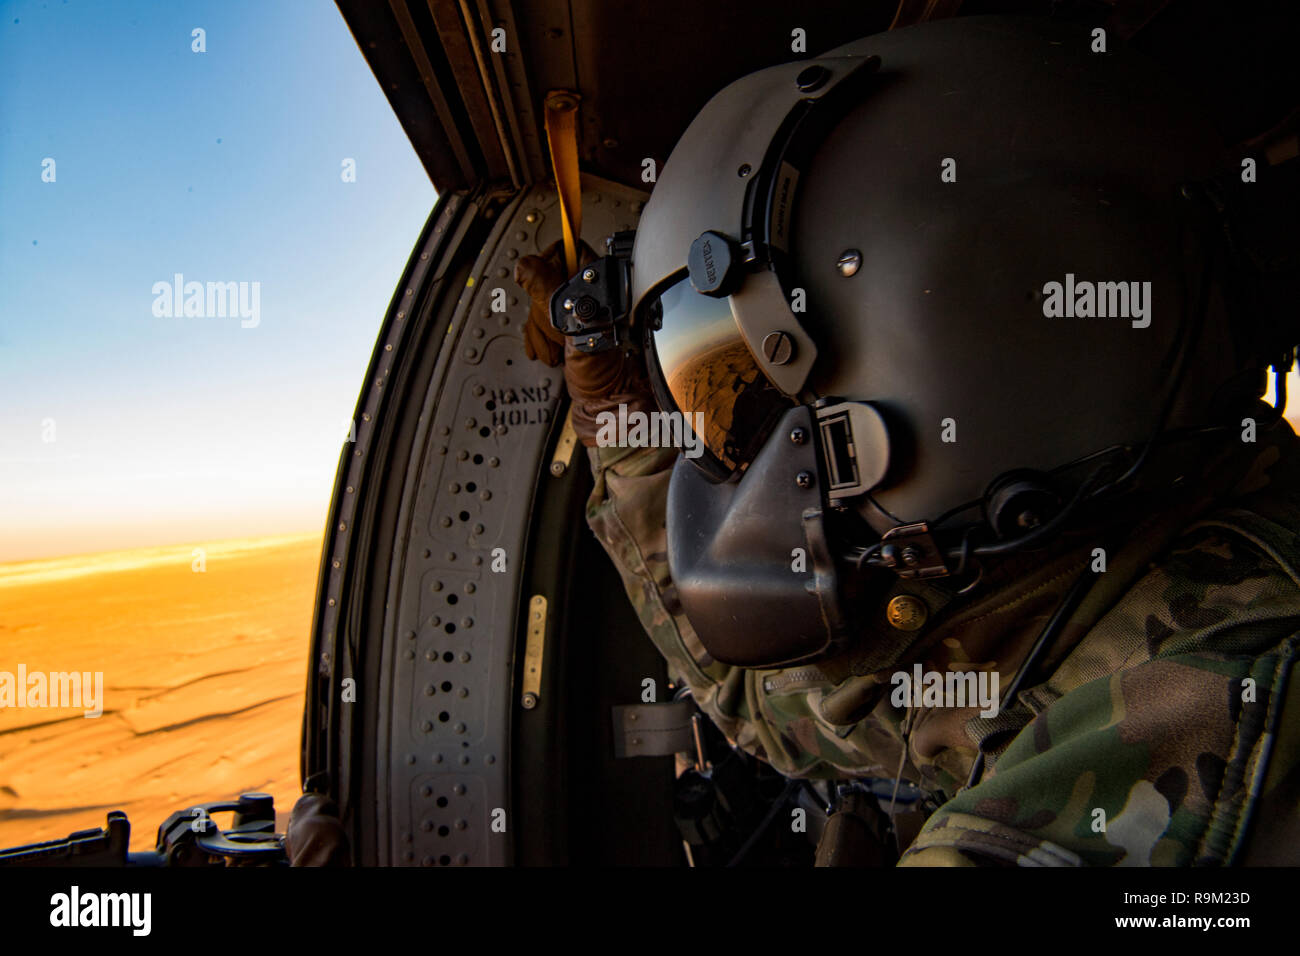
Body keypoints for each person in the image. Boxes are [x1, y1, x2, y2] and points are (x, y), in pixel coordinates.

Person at [513, 15, 1300, 865]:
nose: (745, 462)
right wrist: (615, 412)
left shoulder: (1173, 730)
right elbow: (773, 706)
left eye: (772, 396)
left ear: (954, 348)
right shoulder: (1082, 588)